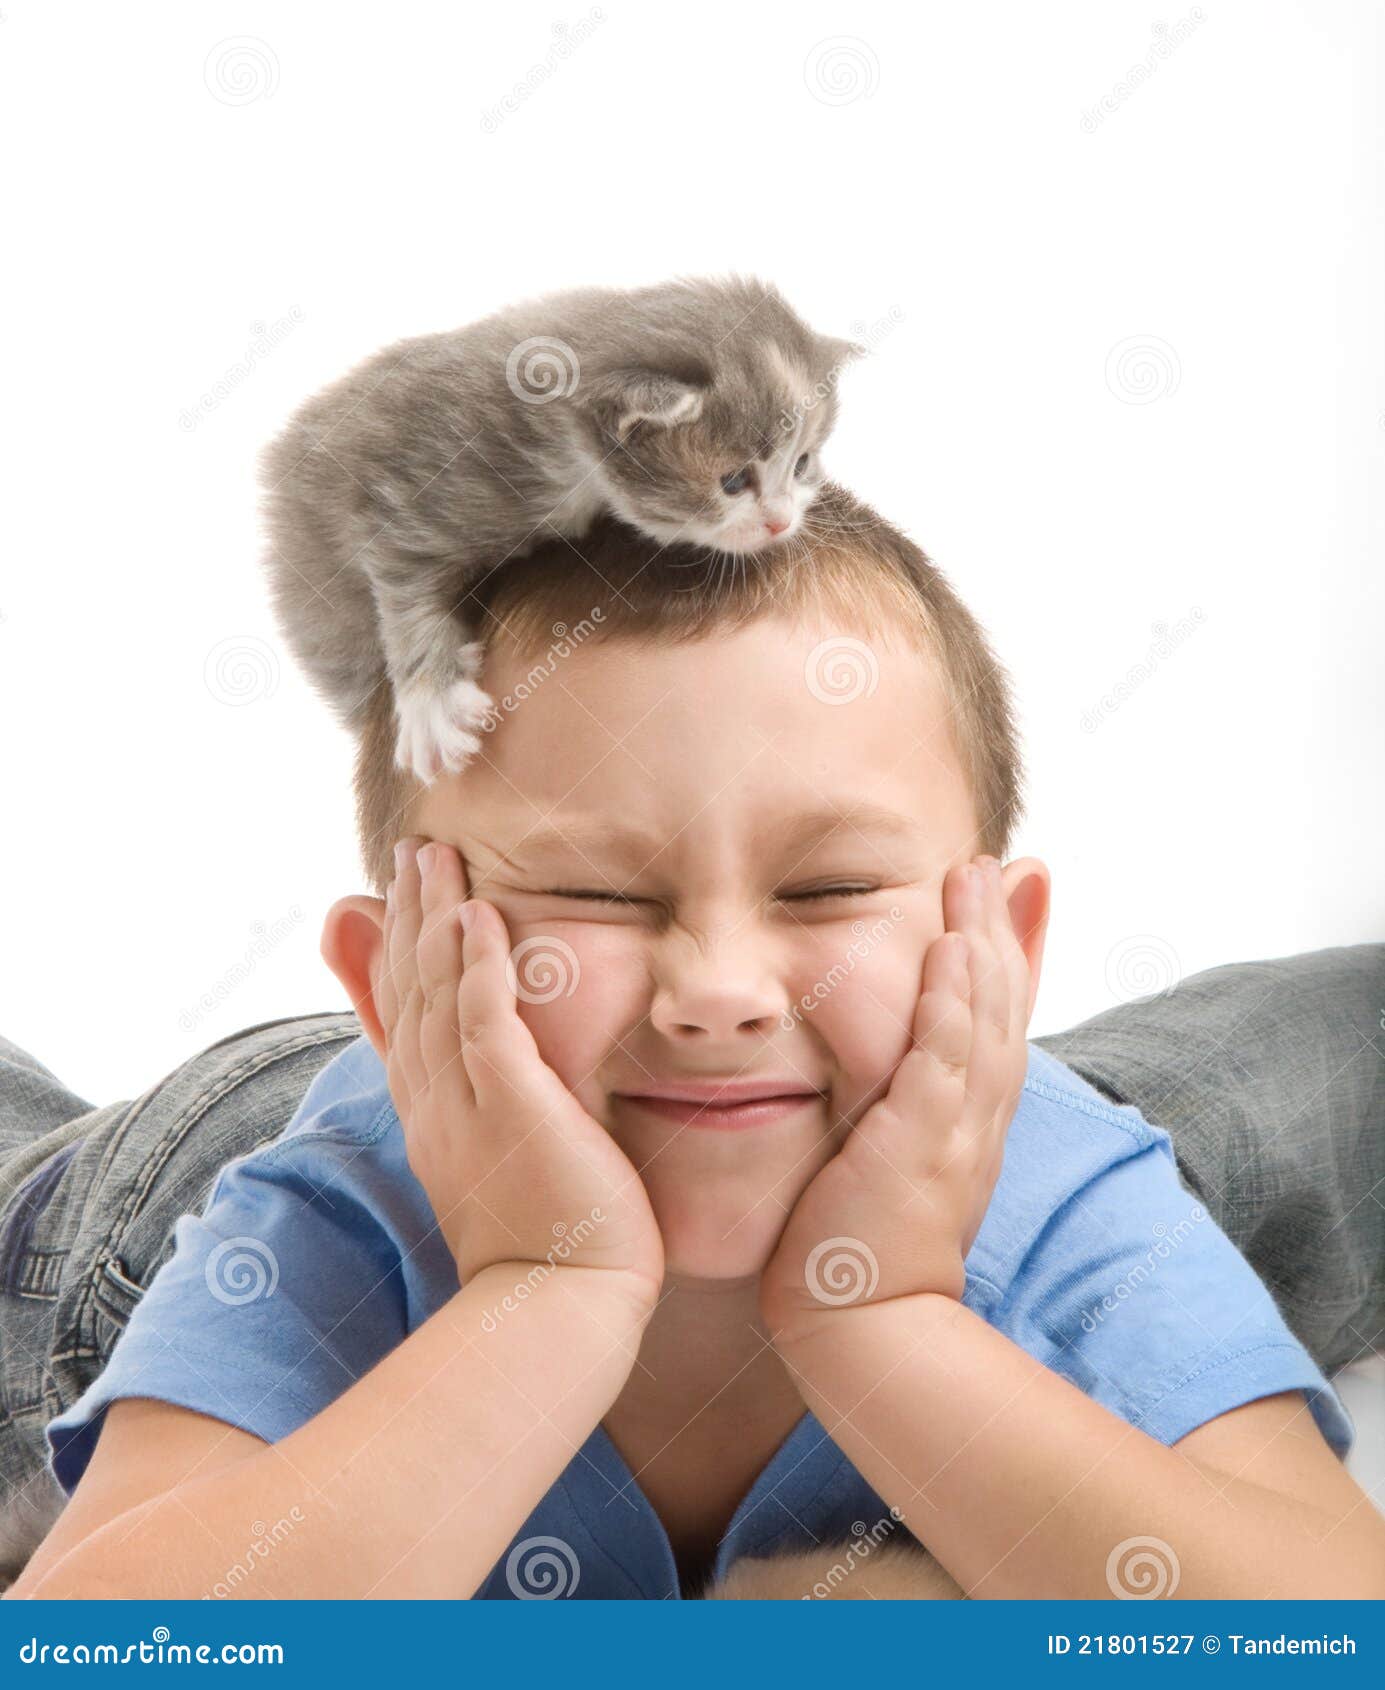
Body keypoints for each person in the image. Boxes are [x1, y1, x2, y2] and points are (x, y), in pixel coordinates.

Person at [4, 490, 1383, 1599]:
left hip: (888, 1099)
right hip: (192, 1169)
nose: (716, 986)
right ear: (396, 975)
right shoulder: (324, 1218)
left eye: (827, 886)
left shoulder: (1067, 1188)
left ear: (1000, 953)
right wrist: (543, 1291)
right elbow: (104, 1649)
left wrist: (884, 1323)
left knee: (1320, 1064)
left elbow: (1325, 1625)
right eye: (596, 894)